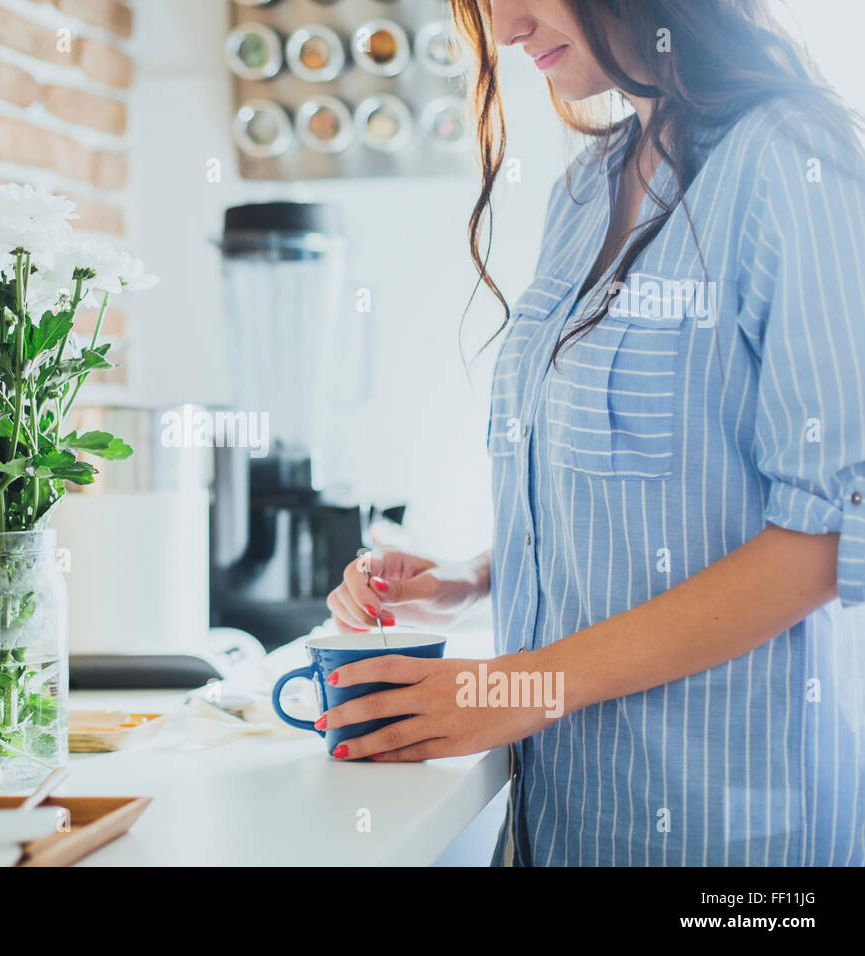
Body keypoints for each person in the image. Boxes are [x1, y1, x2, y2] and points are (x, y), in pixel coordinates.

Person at [324, 0, 865, 866]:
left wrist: (516, 686)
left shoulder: (793, 156)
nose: (503, 29)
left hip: (734, 835)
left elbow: (828, 535)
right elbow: (653, 488)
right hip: (570, 815)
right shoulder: (586, 184)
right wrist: (469, 577)